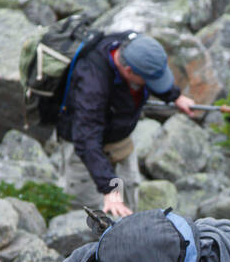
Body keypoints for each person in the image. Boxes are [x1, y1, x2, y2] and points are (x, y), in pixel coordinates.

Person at [55, 32, 197, 218]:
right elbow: (86, 139)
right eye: (146, 80)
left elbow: (152, 72)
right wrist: (109, 188)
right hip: (83, 146)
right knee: (87, 213)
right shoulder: (93, 83)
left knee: (128, 199)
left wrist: (174, 96)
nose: (150, 84)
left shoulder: (134, 46)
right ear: (128, 71)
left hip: (119, 139)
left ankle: (127, 232)